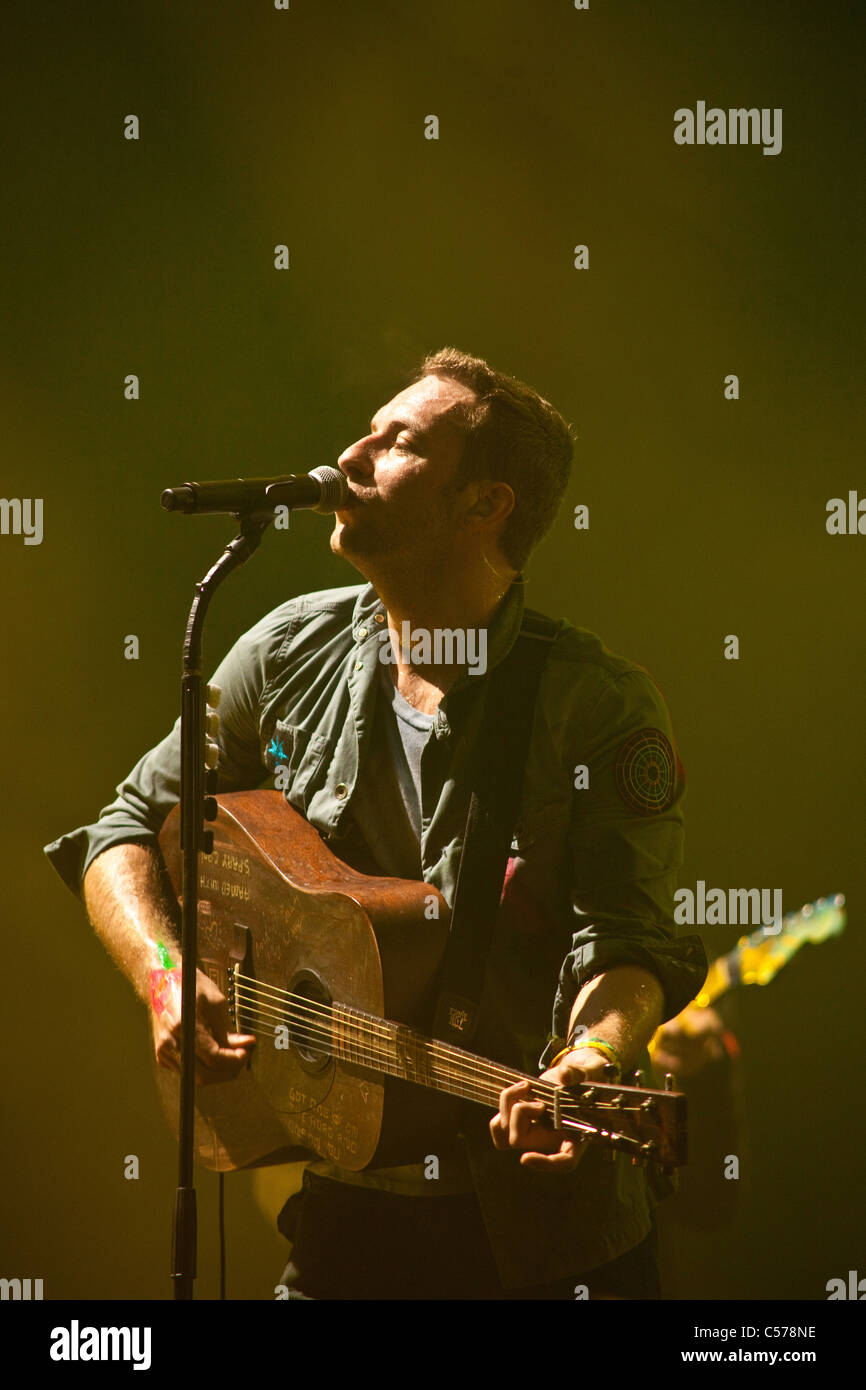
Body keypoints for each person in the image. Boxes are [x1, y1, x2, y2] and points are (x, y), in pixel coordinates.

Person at [45, 347, 707, 1300]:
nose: (351, 453)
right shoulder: (282, 651)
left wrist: (593, 1057)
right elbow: (124, 829)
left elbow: (629, 935)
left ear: (487, 506)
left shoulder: (593, 707)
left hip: (543, 1240)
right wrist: (166, 978)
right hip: (347, 1210)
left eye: (398, 442)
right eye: (369, 427)